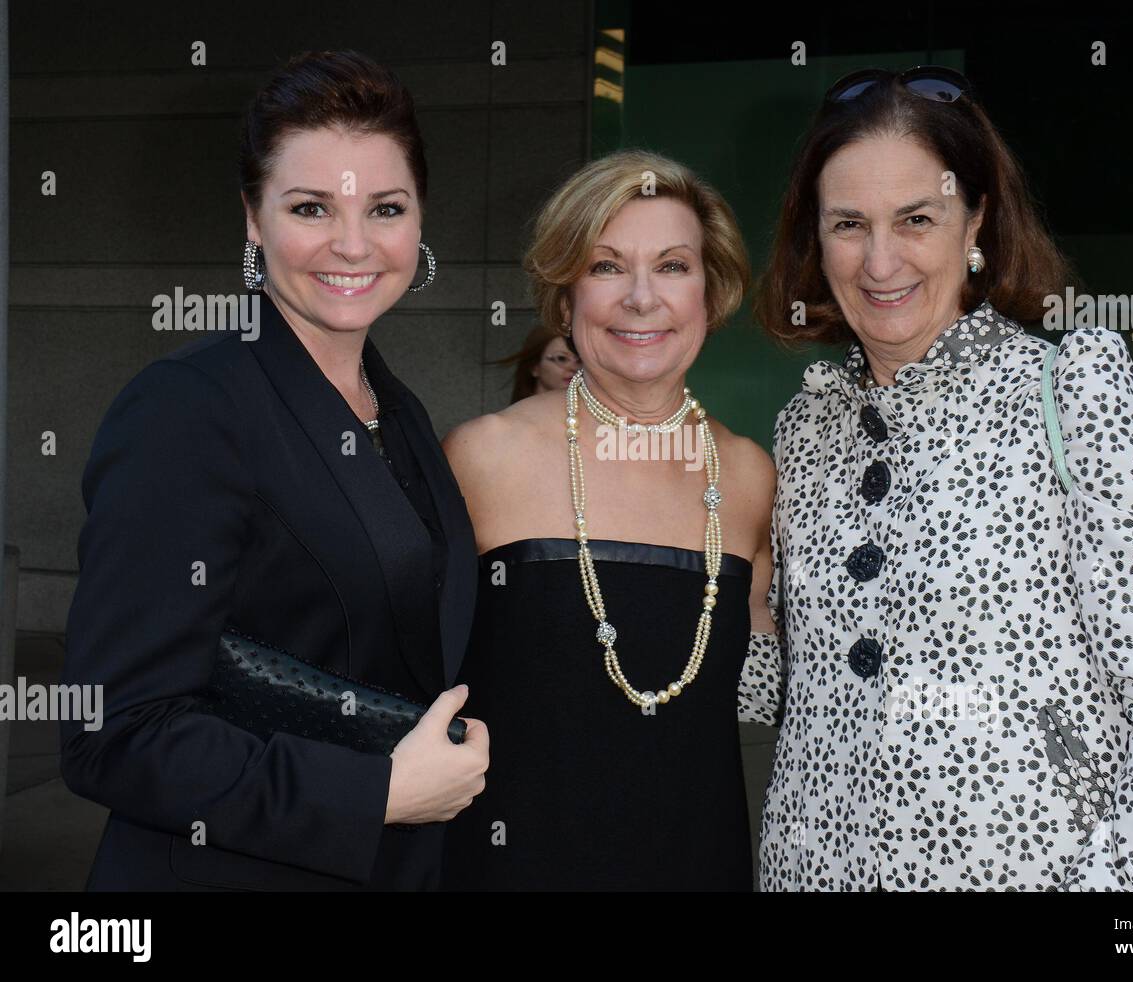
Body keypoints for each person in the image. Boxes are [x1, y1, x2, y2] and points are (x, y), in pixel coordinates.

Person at [743, 66, 1133, 891]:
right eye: (848, 224)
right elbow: (791, 695)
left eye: (917, 218)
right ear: (815, 234)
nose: (880, 262)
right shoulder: (807, 430)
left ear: (975, 217)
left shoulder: (1070, 391)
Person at [59, 50, 488, 891]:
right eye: (310, 207)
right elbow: (110, 731)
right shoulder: (186, 409)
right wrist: (373, 794)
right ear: (253, 219)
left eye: (387, 208)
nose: (353, 243)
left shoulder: (395, 410)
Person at [439, 150, 776, 890]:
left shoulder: (751, 476)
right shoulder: (482, 457)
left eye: (673, 266)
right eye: (606, 266)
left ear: (712, 292)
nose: (642, 299)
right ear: (565, 299)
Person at [497, 323, 582, 403]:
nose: (573, 368)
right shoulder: (512, 416)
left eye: (580, 360)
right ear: (535, 367)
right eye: (561, 358)